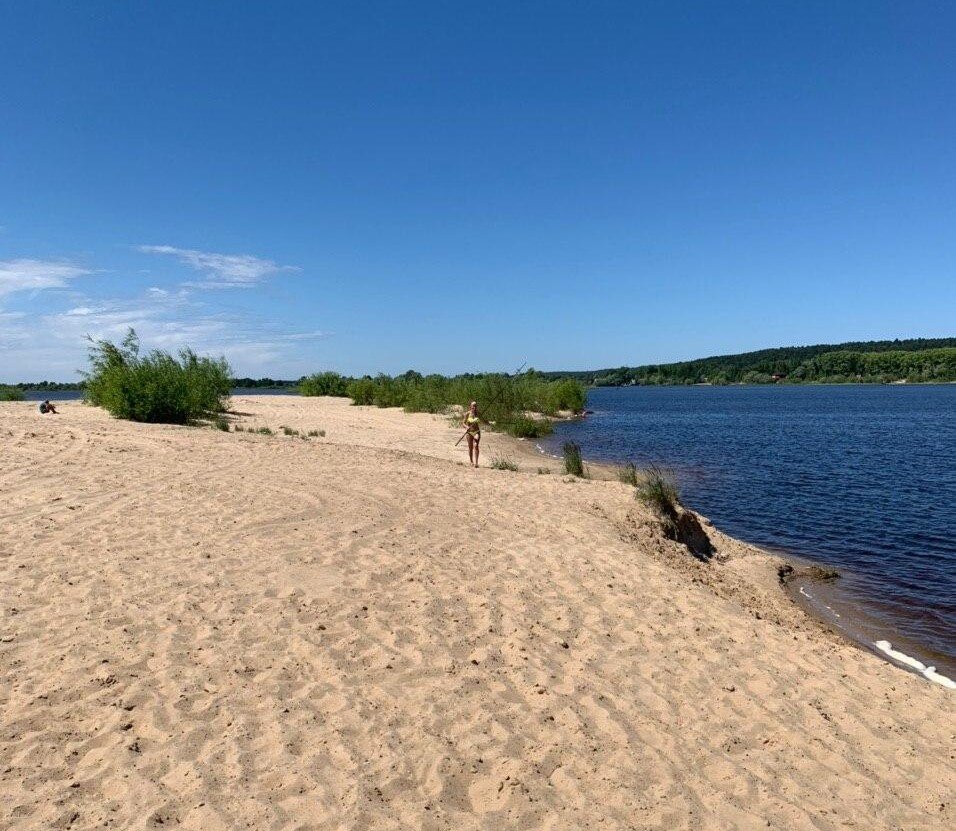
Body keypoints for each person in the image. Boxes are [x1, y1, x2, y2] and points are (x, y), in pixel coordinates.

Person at [462, 400, 483, 467]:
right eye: (473, 406)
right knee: (470, 447)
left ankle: (476, 463)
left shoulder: (478, 414)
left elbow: (484, 421)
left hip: (476, 432)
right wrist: (466, 427)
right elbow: (463, 423)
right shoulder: (467, 414)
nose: (474, 407)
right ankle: (471, 461)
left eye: (475, 406)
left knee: (476, 445)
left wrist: (490, 423)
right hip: (469, 432)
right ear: (470, 406)